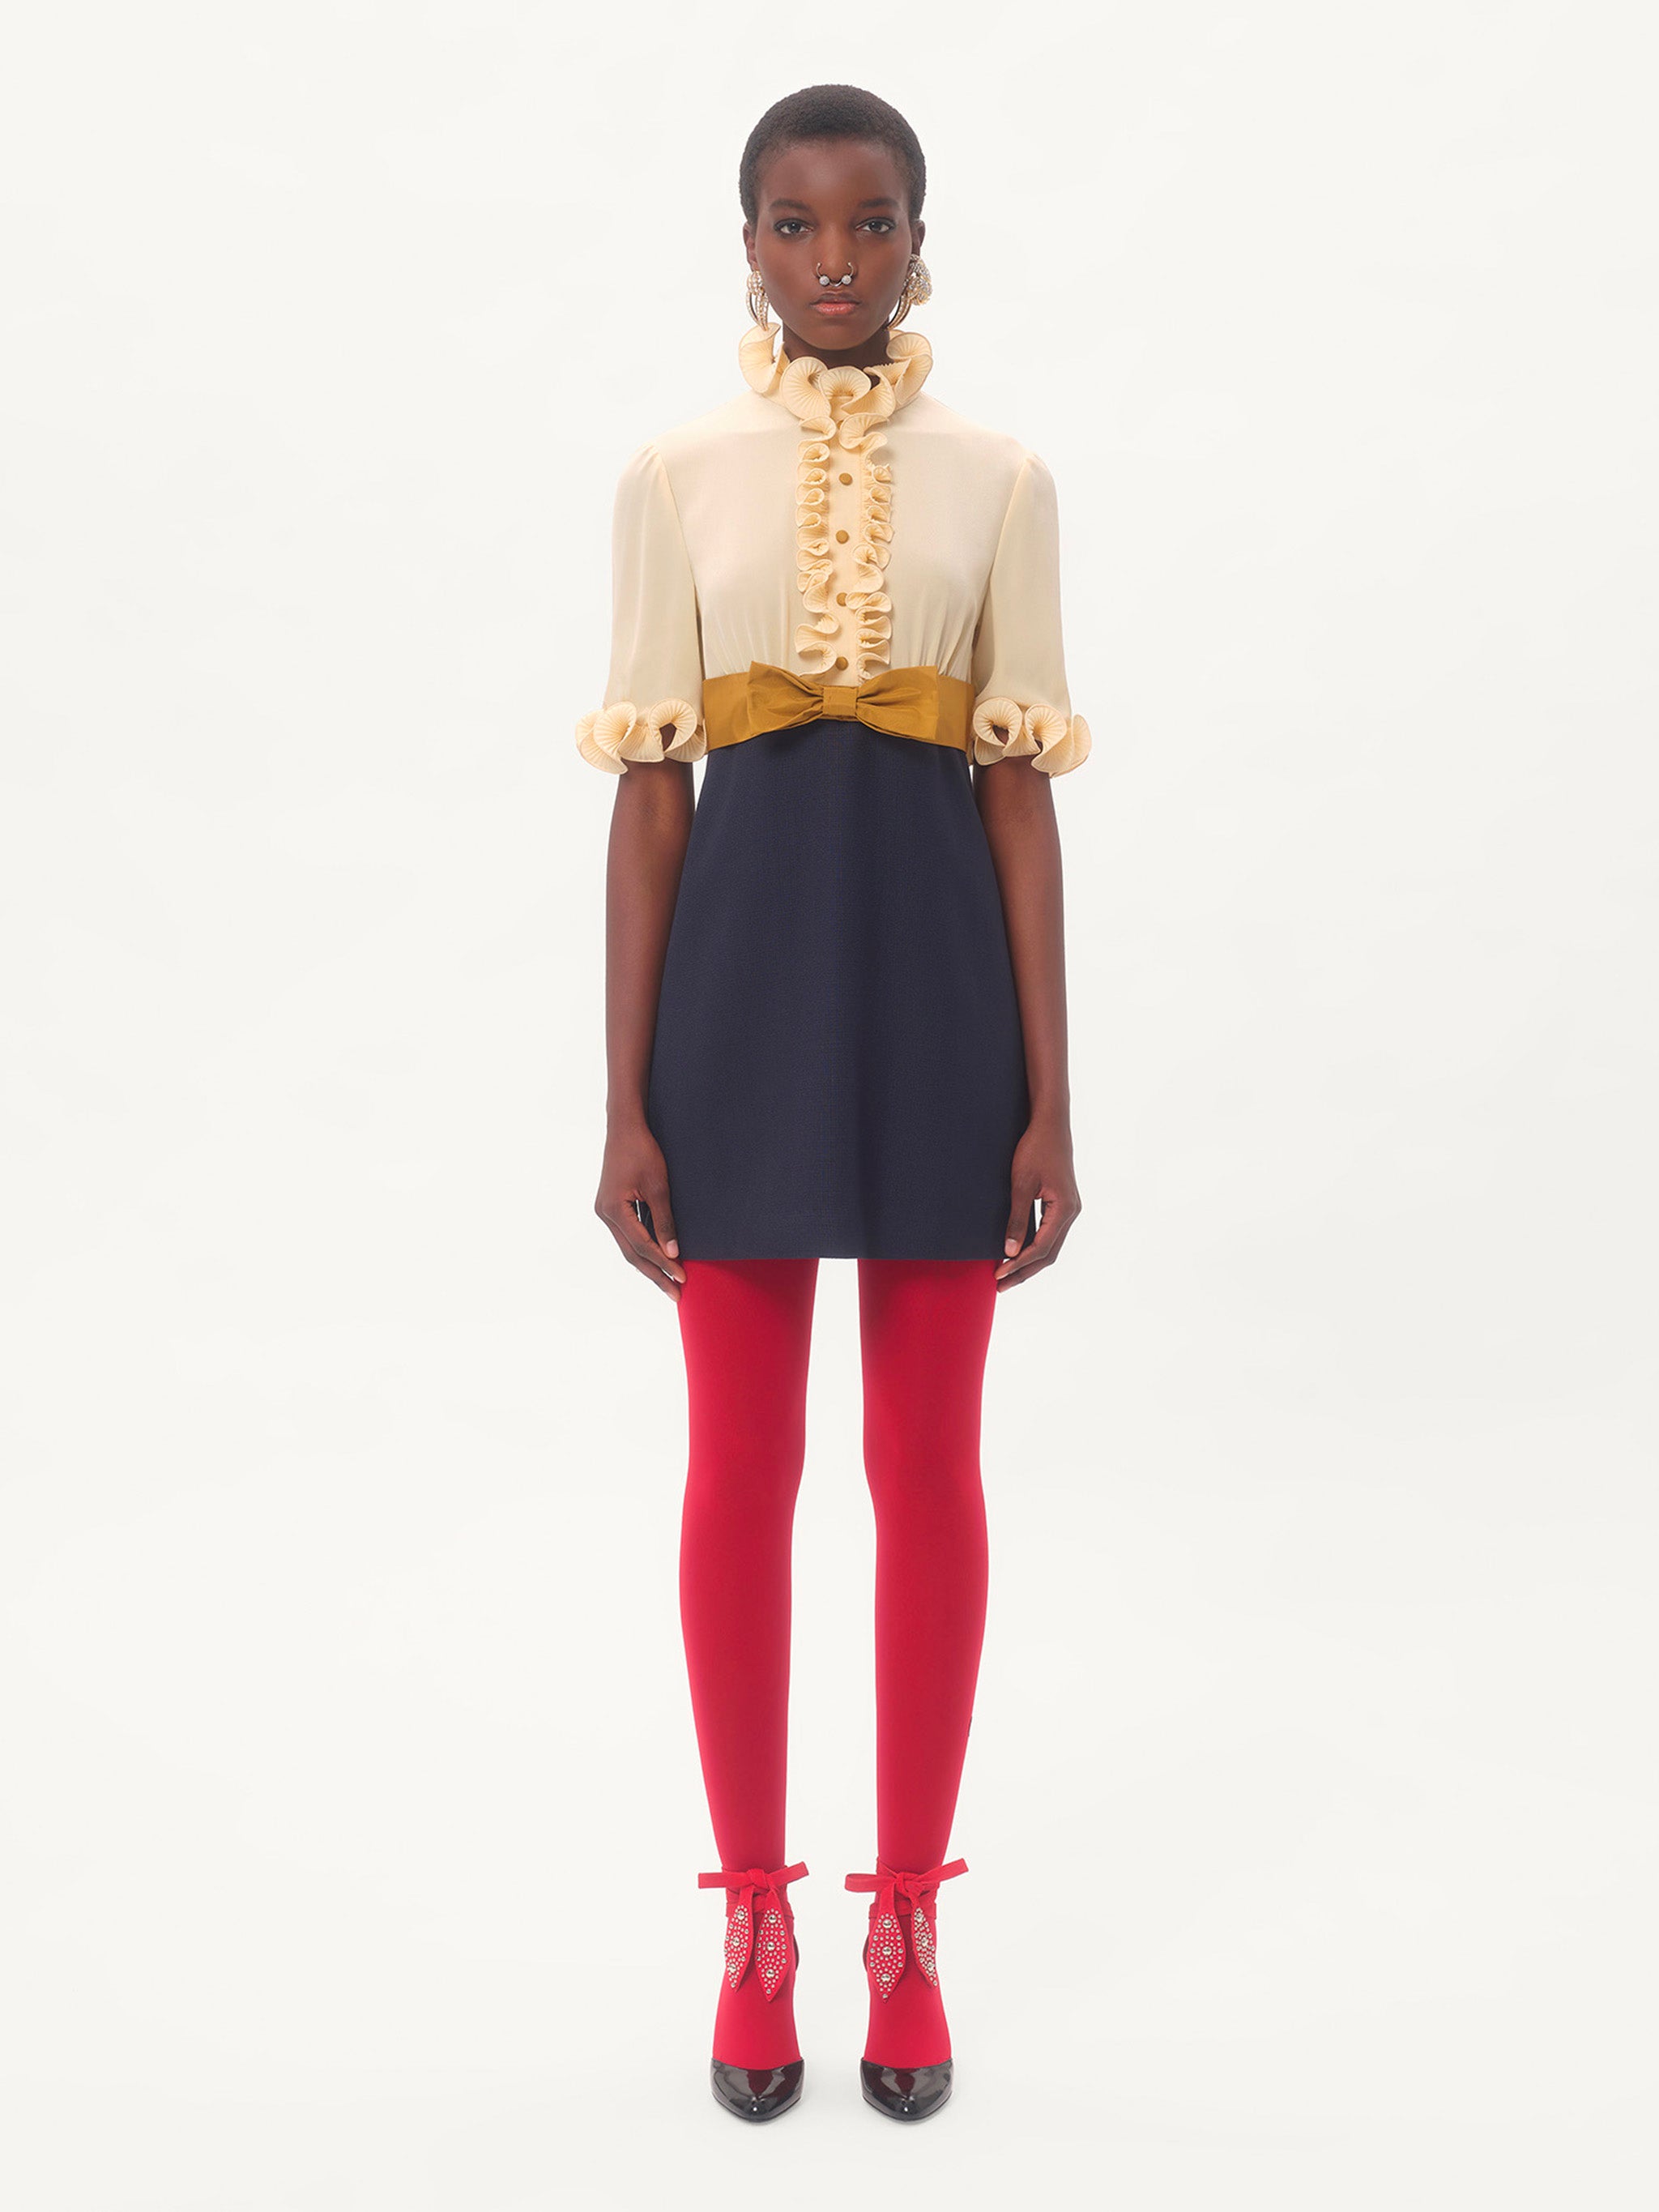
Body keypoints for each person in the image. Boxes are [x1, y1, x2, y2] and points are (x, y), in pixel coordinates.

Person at [576, 83, 1091, 2124]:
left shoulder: (1002, 480)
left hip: (946, 1015)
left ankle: (904, 1923)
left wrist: (1052, 1101)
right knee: (741, 1470)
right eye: (794, 227)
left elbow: (1019, 797)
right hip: (735, 1017)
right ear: (747, 247)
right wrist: (624, 1102)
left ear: (919, 237)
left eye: (869, 223)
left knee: (926, 1470)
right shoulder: (676, 476)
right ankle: (754, 1923)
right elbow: (649, 800)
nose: (835, 262)